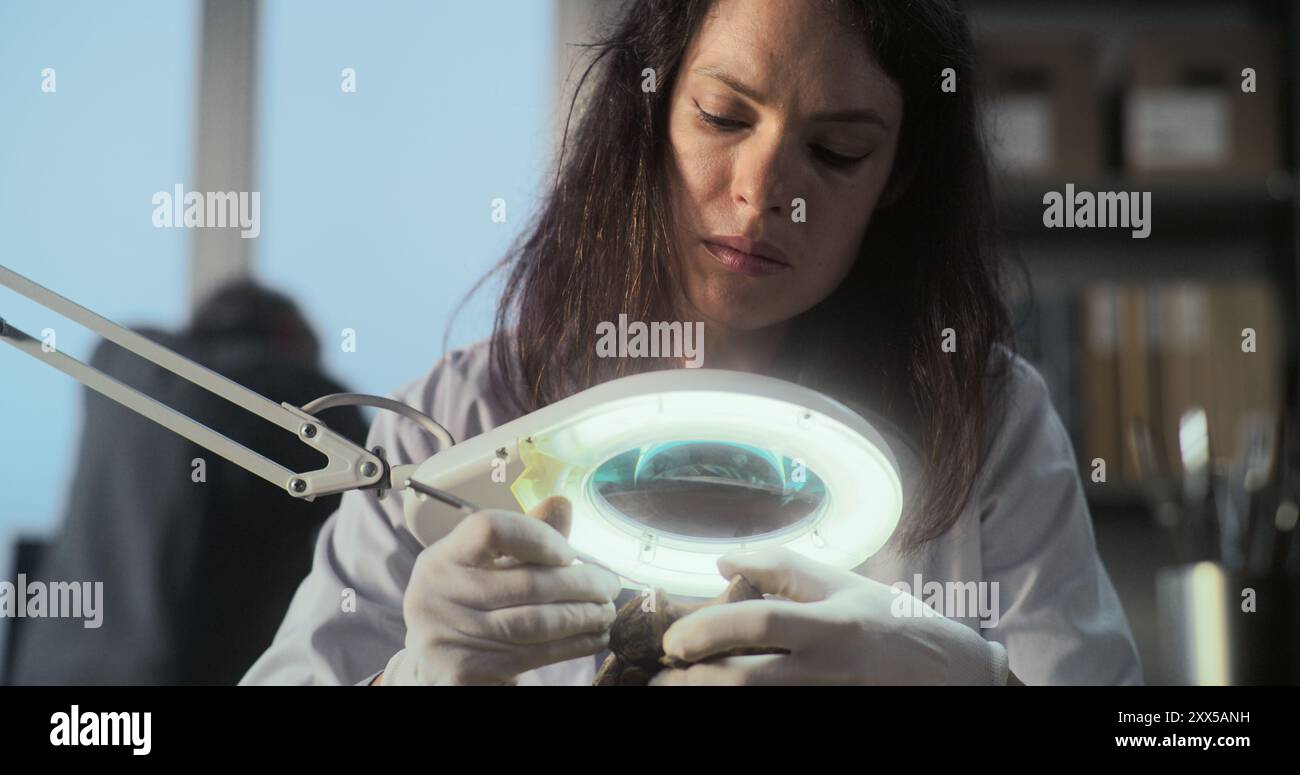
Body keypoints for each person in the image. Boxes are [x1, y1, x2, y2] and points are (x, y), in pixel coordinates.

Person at [242, 0, 1143, 686]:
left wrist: (969, 680)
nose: (764, 191)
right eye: (722, 115)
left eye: (836, 154)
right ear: (651, 110)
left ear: (898, 178)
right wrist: (415, 677)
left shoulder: (989, 423)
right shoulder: (462, 415)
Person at [9, 280, 368, 684]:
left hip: (49, 671)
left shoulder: (120, 359)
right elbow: (371, 533)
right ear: (288, 335)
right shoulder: (301, 401)